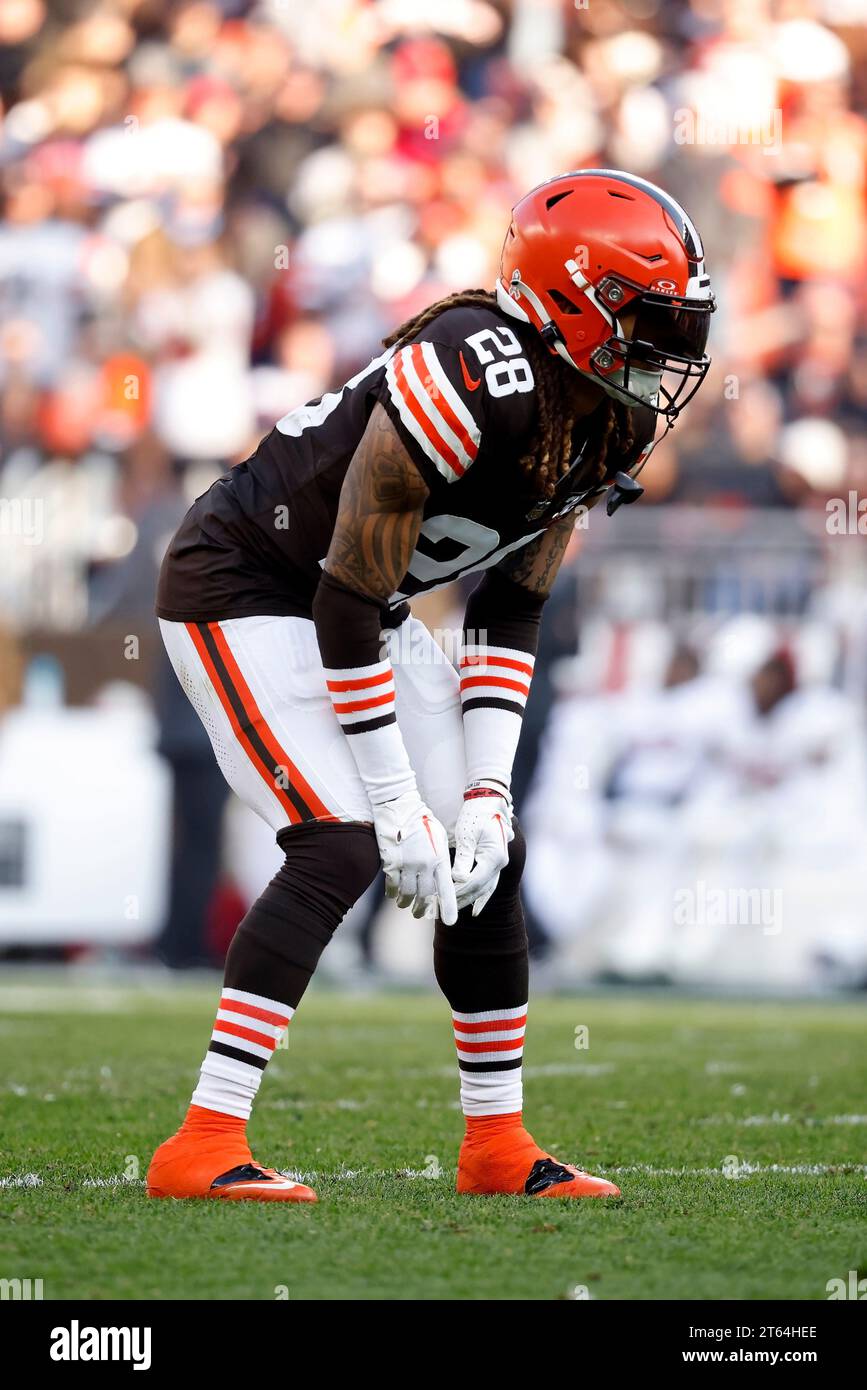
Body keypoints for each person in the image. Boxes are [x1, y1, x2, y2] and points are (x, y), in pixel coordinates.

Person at [146, 169, 714, 1204]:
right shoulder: (469, 376)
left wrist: (484, 793)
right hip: (247, 585)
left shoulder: (605, 416)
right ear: (575, 302)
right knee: (344, 835)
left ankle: (497, 1147)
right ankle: (202, 1140)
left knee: (487, 850)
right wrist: (395, 798)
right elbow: (346, 600)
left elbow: (510, 607)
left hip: (366, 609)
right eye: (651, 321)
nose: (669, 354)